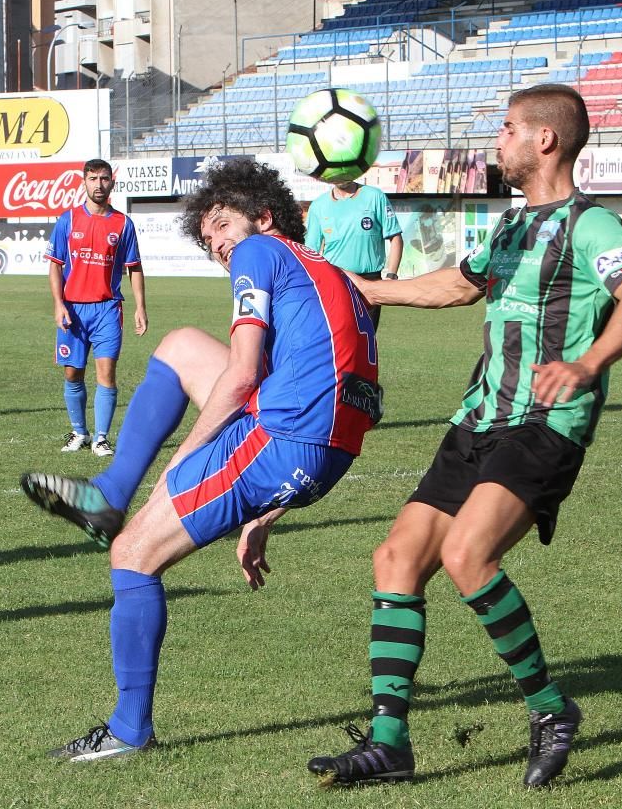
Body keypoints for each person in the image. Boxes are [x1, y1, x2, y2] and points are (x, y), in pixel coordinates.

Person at [308, 84, 622, 788]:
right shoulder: (509, 227)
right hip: (477, 419)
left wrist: (587, 363)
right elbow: (457, 287)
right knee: (396, 560)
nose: (496, 143)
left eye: (506, 130)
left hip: (545, 425)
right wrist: (365, 289)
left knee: (468, 555)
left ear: (545, 141)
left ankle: (550, 709)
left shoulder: (591, 226)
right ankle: (388, 744)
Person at [21, 158, 382, 761]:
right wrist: (271, 511)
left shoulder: (259, 253)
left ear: (265, 218)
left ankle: (128, 731)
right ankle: (110, 491)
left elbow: (242, 376)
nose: (214, 242)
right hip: (325, 445)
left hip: (286, 438)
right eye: (205, 235)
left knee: (133, 554)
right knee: (181, 344)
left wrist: (183, 459)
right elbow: (352, 389)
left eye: (221, 225)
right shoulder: (329, 272)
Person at [46, 159, 147, 457]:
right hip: (73, 311)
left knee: (106, 375)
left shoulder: (123, 224)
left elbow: (135, 268)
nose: (98, 184)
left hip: (107, 309)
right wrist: (58, 304)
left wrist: (141, 306)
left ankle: (101, 438)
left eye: (104, 179)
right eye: (93, 179)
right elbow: (55, 266)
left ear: (112, 183)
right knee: (72, 375)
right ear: (84, 182)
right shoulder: (68, 220)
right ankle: (79, 432)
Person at [304, 179, 402, 329]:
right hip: (336, 280)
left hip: (371, 281)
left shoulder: (375, 196)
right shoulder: (318, 205)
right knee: (340, 336)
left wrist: (391, 275)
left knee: (367, 335)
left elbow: (395, 237)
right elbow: (310, 252)